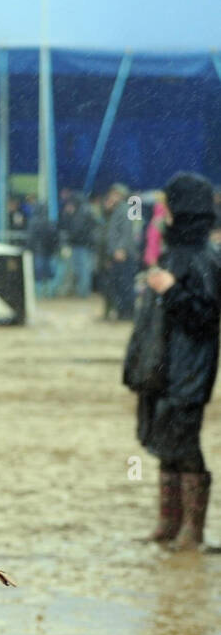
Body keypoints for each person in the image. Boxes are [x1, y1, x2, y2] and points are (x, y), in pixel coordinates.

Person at [135, 172, 221, 550]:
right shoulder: (174, 252)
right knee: (164, 439)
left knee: (185, 443)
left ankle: (193, 530)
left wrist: (170, 290)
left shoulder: (205, 257)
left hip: (189, 368)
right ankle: (168, 522)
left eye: (169, 206)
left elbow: (205, 316)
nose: (163, 213)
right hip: (163, 367)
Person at [101, 183, 137, 320]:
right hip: (117, 254)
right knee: (119, 284)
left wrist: (120, 249)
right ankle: (122, 311)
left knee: (125, 284)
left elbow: (126, 232)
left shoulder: (125, 209)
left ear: (121, 196)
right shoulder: (115, 210)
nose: (112, 196)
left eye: (115, 194)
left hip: (123, 254)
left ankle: (127, 312)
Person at [60, 193, 100, 297]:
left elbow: (76, 231)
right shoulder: (84, 212)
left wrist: (68, 240)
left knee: (82, 269)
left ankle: (83, 292)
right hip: (84, 245)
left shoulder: (79, 215)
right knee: (82, 269)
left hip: (82, 246)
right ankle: (83, 291)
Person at [27, 203, 59, 297]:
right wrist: (54, 248)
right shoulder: (50, 222)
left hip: (38, 251)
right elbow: (55, 237)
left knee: (38, 274)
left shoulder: (33, 223)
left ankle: (39, 294)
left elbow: (31, 239)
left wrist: (28, 248)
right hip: (49, 251)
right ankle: (50, 293)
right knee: (50, 273)